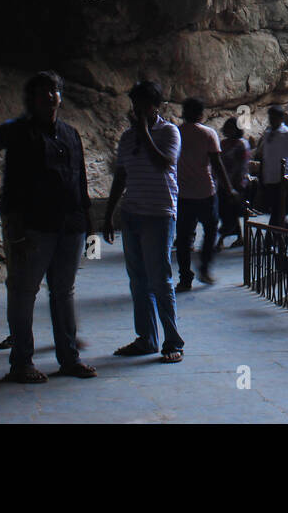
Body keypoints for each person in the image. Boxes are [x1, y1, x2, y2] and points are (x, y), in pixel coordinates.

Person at [0, 71, 96, 384]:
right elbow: (12, 185)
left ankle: (69, 358)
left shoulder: (70, 133)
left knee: (64, 293)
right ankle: (21, 362)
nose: (49, 97)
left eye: (54, 91)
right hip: (36, 227)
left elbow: (80, 180)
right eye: (42, 92)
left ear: (60, 96)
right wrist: (13, 226)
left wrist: (87, 221)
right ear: (32, 99)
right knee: (24, 293)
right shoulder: (23, 135)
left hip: (70, 225)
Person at [101, 81, 184, 363]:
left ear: (155, 107)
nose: (137, 110)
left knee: (160, 280)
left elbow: (164, 163)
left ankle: (172, 341)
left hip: (159, 214)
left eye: (144, 105)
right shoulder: (126, 138)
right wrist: (109, 214)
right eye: (134, 105)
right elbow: (120, 176)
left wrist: (144, 132)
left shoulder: (169, 131)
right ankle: (147, 338)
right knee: (138, 281)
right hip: (132, 214)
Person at [175, 97, 232, 287]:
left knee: (183, 237)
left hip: (183, 193)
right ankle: (204, 268)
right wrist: (228, 188)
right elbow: (217, 164)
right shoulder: (208, 133)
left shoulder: (176, 133)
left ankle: (185, 276)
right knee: (210, 231)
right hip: (205, 192)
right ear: (201, 114)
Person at [255, 106, 288, 229]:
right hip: (269, 178)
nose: (272, 120)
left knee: (278, 211)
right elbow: (265, 156)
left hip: (282, 178)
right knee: (276, 210)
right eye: (270, 117)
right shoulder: (268, 133)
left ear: (281, 118)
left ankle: (270, 240)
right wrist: (262, 175)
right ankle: (287, 233)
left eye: (274, 117)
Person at [216, 117, 251, 249]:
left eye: (231, 128)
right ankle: (238, 237)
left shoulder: (241, 144)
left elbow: (242, 166)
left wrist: (236, 184)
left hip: (236, 183)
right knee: (227, 212)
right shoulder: (223, 143)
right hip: (223, 182)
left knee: (229, 212)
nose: (228, 130)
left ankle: (221, 239)